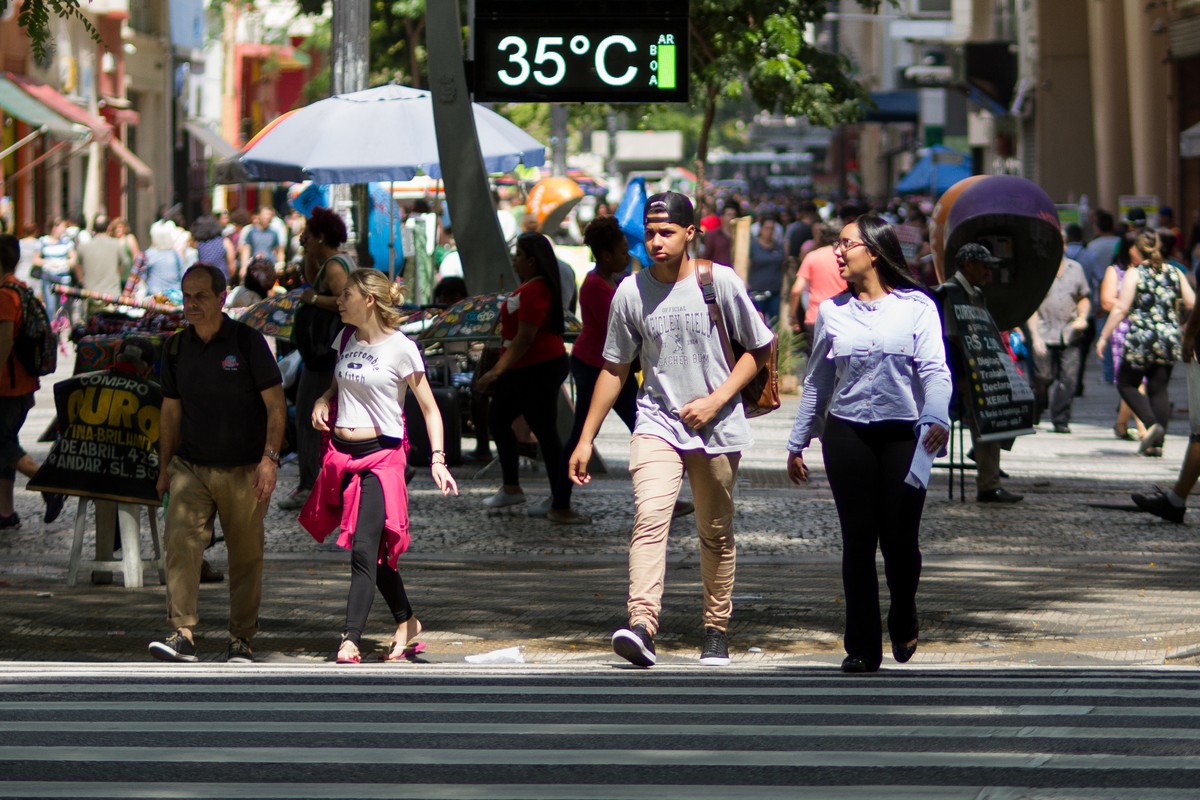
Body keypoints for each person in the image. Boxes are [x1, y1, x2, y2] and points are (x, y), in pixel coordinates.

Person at [567, 191, 774, 668]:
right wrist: (585, 438)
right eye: (650, 233)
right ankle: (641, 625)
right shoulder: (630, 291)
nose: (657, 242)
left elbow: (759, 348)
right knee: (649, 520)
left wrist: (717, 400)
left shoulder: (717, 282)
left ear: (690, 234)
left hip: (717, 425)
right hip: (657, 421)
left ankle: (716, 628)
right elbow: (614, 368)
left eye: (667, 233)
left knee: (715, 532)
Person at [786, 215, 952, 674]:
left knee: (900, 540)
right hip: (848, 434)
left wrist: (936, 417)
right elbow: (818, 380)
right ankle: (861, 644)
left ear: (873, 251)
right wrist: (797, 441)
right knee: (858, 541)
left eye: (845, 244)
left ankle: (904, 612)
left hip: (905, 435)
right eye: (837, 245)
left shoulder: (917, 307)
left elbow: (935, 371)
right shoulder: (834, 311)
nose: (837, 252)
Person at [303, 269, 459, 663]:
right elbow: (338, 387)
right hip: (342, 456)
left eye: (346, 295)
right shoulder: (346, 339)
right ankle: (407, 621)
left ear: (368, 299)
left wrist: (438, 460)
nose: (339, 301)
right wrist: (323, 400)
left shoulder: (402, 348)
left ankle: (350, 639)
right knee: (374, 554)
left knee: (362, 549)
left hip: (382, 458)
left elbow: (429, 409)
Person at [147, 263, 285, 663]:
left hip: (244, 467)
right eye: (186, 296)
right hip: (191, 465)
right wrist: (164, 467)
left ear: (222, 298)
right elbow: (169, 412)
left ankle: (241, 638)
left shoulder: (247, 342)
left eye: (200, 296)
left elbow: (276, 407)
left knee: (245, 556)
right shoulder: (175, 347)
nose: (191, 305)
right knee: (181, 544)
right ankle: (182, 632)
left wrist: (269, 459)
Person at [475, 233, 571, 518]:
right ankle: (513, 488)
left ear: (531, 260)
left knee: (545, 433)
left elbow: (525, 338)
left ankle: (559, 501)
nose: (514, 260)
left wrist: (496, 371)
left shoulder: (537, 290)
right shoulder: (532, 287)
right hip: (524, 368)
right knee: (499, 420)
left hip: (536, 368)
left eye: (518, 255)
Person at [934, 243, 1023, 503]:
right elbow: (951, 338)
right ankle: (988, 483)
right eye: (983, 265)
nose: (988, 270)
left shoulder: (976, 293)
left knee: (1015, 406)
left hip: (984, 367)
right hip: (965, 371)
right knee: (986, 422)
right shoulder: (951, 292)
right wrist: (961, 376)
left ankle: (988, 472)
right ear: (968, 265)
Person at [1096, 229, 1196, 457]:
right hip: (1168, 337)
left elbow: (1121, 307)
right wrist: (1179, 323)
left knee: (1126, 383)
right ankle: (1156, 444)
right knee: (1158, 389)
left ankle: (1151, 425)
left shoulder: (1136, 273)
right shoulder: (1174, 272)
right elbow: (1191, 302)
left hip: (1142, 337)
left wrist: (1103, 337)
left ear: (1137, 249)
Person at [283, 207, 355, 512]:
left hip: (325, 354)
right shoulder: (331, 262)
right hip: (326, 352)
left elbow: (344, 302)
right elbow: (312, 279)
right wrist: (308, 252)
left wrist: (312, 300)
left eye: (309, 236)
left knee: (309, 414)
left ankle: (310, 483)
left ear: (321, 236)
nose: (304, 239)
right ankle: (318, 479)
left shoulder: (337, 268)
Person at [0, 234, 65, 530]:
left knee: (3, 446)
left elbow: (3, 343)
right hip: (23, 386)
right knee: (5, 446)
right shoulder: (21, 288)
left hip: (7, 387)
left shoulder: (4, 295)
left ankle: (49, 484)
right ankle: (5, 512)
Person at [1027, 240, 1091, 433]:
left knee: (1069, 379)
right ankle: (1036, 410)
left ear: (1064, 247)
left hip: (1069, 332)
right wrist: (1035, 336)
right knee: (1042, 377)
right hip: (1044, 332)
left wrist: (1083, 317)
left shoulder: (1076, 268)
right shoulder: (1038, 271)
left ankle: (1061, 418)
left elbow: (1083, 297)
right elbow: (1031, 307)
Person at [789, 224, 846, 346]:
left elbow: (796, 290)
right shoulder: (845, 257)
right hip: (842, 317)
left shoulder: (812, 256)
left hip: (815, 318)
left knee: (815, 362)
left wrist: (793, 316)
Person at [76, 214, 130, 314]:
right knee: (110, 325)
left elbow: (76, 264)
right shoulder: (116, 244)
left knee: (91, 325)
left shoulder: (84, 246)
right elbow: (125, 263)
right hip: (111, 295)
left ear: (93, 228)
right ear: (109, 227)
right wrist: (117, 275)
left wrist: (81, 280)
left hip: (90, 294)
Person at [32, 217, 77, 321]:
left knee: (63, 307)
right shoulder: (43, 241)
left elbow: (74, 259)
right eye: (62, 226)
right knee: (50, 307)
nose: (64, 229)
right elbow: (36, 259)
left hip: (63, 278)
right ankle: (52, 330)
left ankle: (61, 329)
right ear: (54, 228)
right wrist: (48, 263)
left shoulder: (67, 242)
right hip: (48, 278)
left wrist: (64, 263)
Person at [192, 215, 236, 280]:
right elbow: (232, 267)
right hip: (221, 280)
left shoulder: (198, 244)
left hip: (203, 280)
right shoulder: (225, 242)